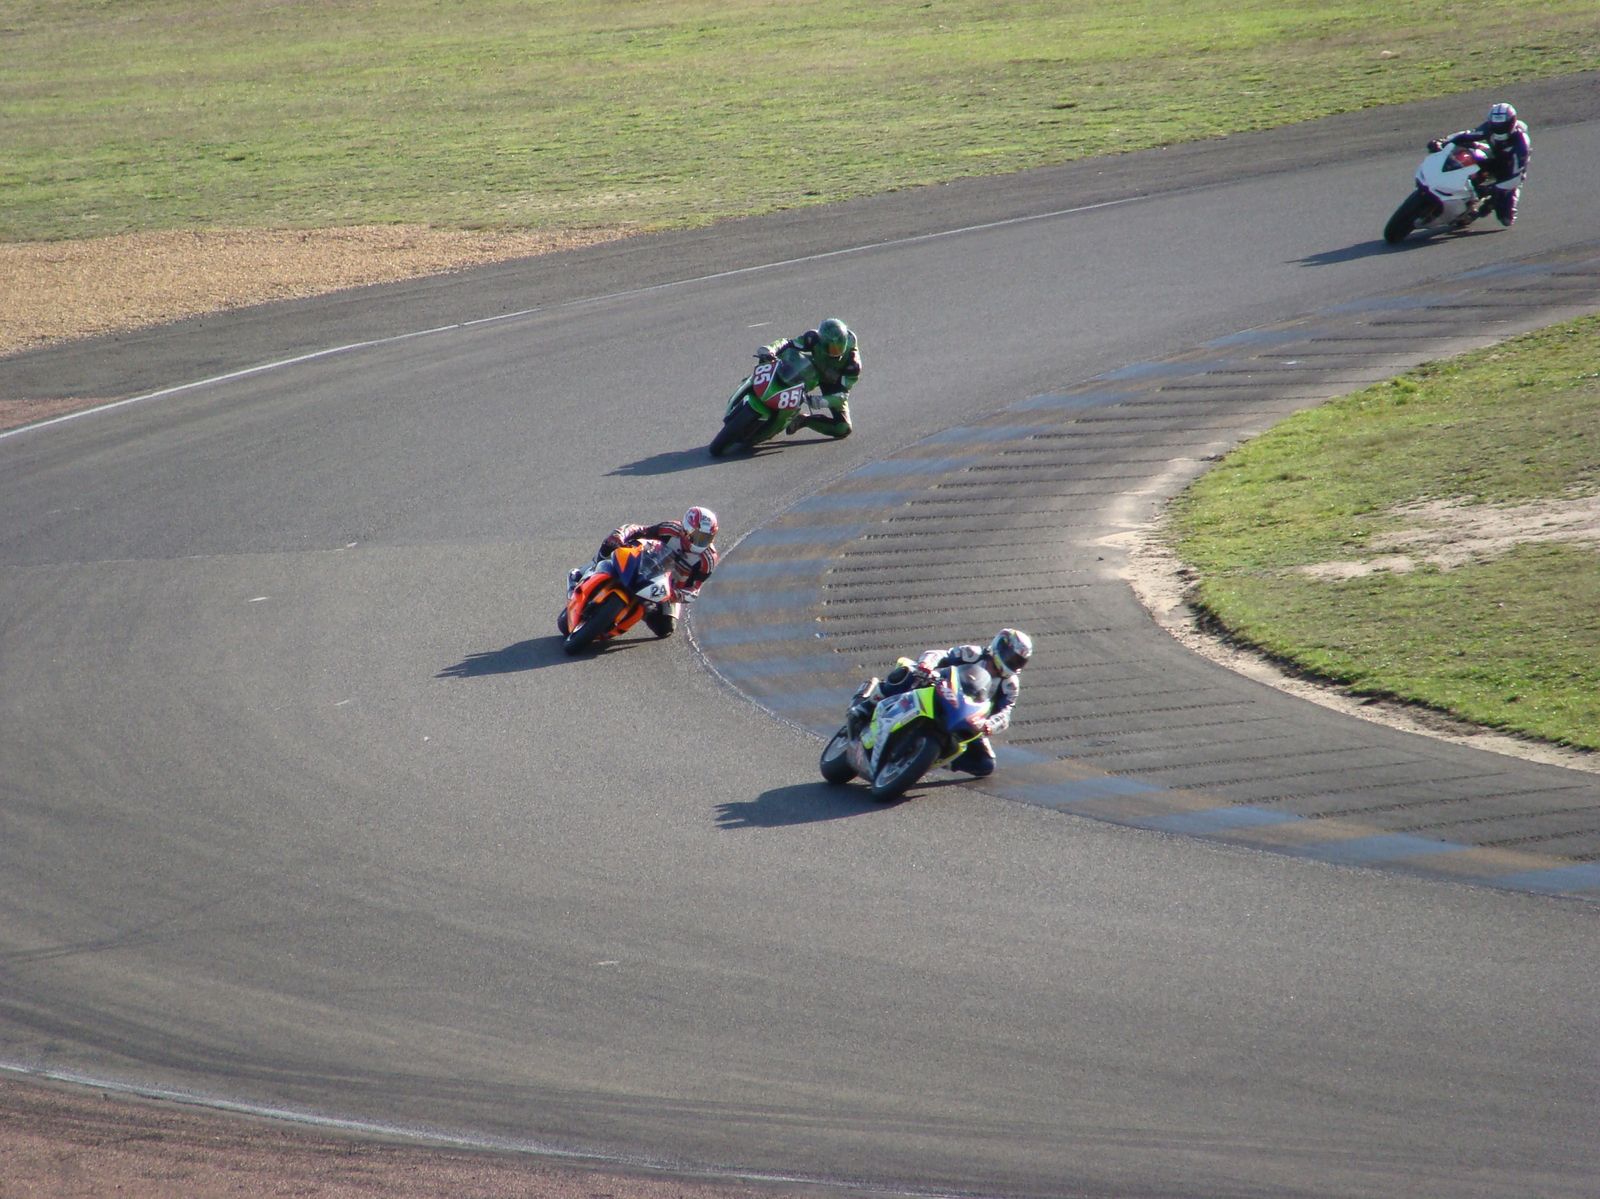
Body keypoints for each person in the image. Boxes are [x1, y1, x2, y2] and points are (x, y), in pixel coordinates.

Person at [848, 628, 1034, 778]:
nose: (1013, 663)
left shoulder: (1010, 685)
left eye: (1018, 661)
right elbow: (940, 654)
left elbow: (1005, 713)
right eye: (1011, 657)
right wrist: (926, 665)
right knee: (908, 671)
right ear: (1000, 646)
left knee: (986, 764)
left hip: (968, 716)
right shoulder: (974, 653)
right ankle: (867, 705)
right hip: (938, 687)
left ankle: (931, 760)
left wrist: (988, 726)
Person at [561, 506, 719, 638]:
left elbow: (695, 590)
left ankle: (639, 610)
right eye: (698, 536)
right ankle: (589, 569)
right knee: (610, 544)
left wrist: (675, 594)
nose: (701, 542)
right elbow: (639, 530)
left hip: (667, 588)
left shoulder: (708, 559)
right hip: (644, 563)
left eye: (706, 538)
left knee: (665, 628)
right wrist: (620, 535)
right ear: (686, 529)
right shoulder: (670, 529)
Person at [756, 317, 861, 439]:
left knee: (843, 428)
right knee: (772, 360)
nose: (834, 352)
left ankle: (803, 420)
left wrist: (821, 401)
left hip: (833, 384)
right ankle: (757, 383)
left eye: (838, 348)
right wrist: (771, 349)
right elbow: (788, 343)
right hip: (812, 370)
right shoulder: (813, 337)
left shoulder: (853, 365)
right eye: (830, 347)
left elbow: (842, 396)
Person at [1428, 101, 1531, 226]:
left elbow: (1516, 177)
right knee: (1467, 150)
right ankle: (1451, 183)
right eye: (1496, 125)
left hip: (1509, 173)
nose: (1499, 129)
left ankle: (1483, 207)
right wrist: (1443, 141)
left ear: (1512, 123)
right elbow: (1468, 135)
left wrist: (1494, 190)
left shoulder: (1521, 143)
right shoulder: (1488, 127)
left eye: (1503, 126)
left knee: (1506, 219)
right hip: (1492, 157)